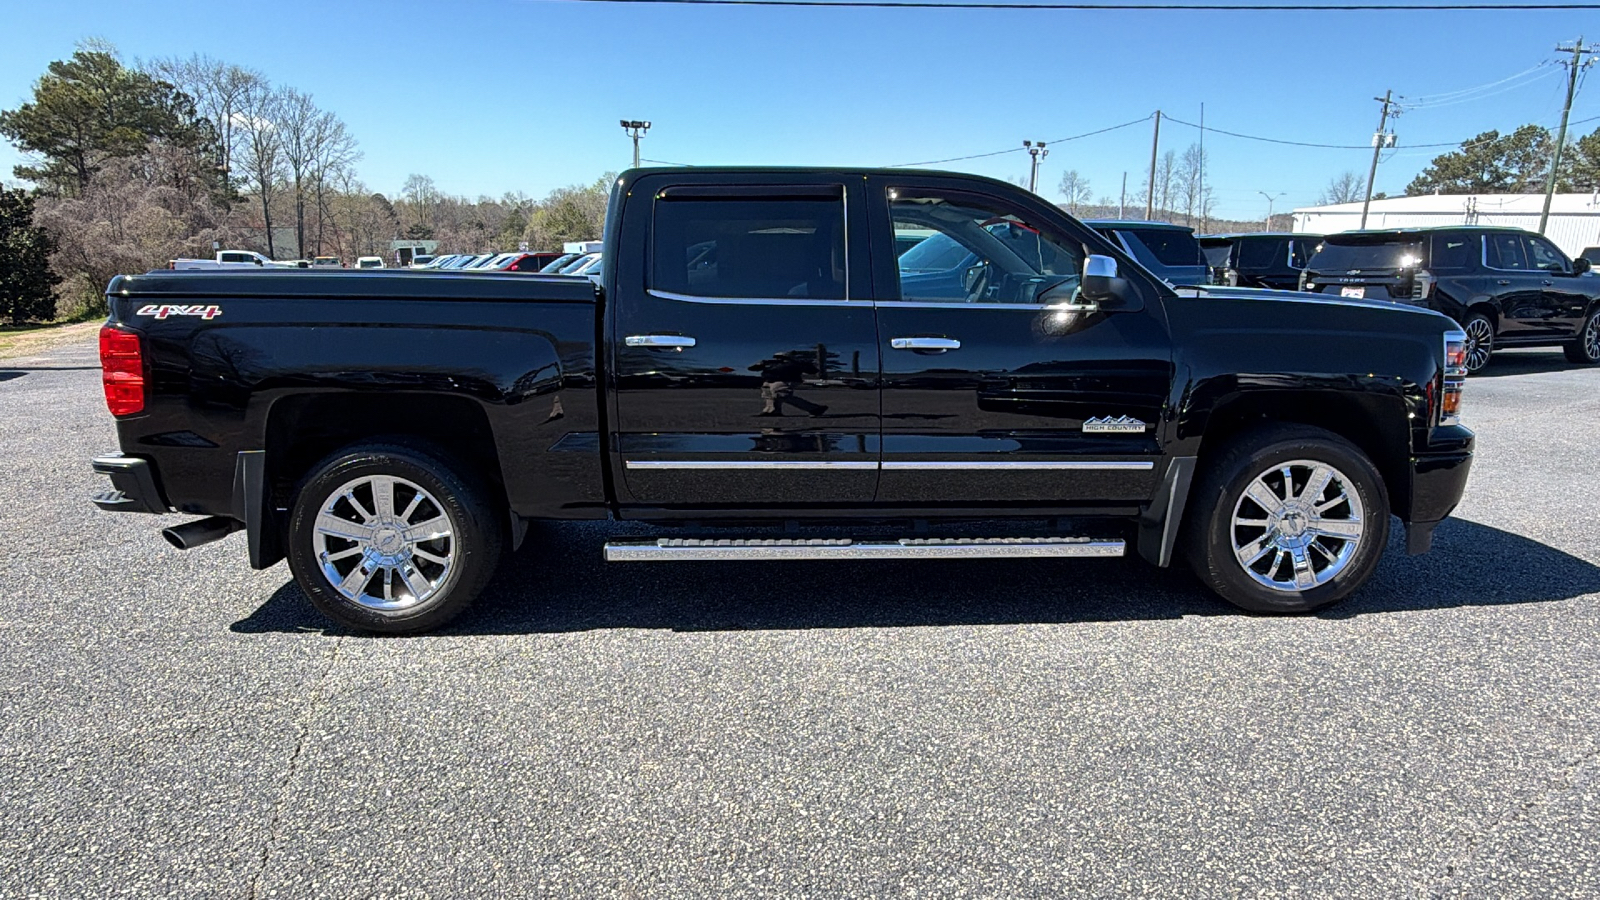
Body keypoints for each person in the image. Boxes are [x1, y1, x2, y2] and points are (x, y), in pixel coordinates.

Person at [750, 351, 828, 417]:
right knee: (768, 396)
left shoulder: (794, 364)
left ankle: (814, 408)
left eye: (781, 357)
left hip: (785, 380)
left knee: (782, 395)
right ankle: (772, 410)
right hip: (769, 380)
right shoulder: (769, 364)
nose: (778, 359)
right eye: (777, 357)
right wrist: (758, 365)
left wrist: (801, 364)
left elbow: (812, 370)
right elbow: (752, 369)